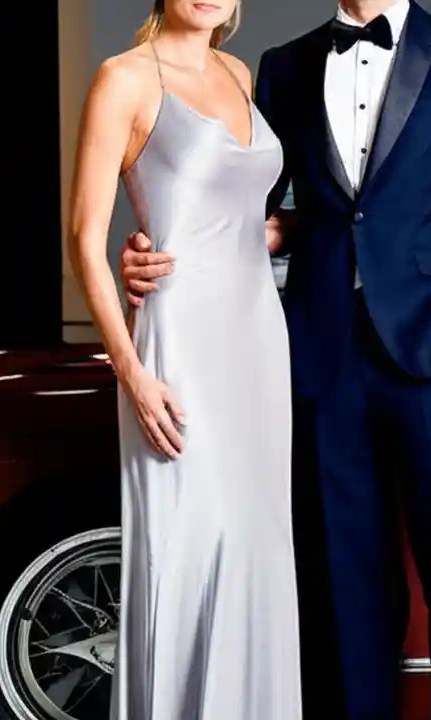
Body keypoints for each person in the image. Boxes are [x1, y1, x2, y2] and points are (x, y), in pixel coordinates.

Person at [120, 0, 431, 716]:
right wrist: (156, 245)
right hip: (320, 354)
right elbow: (252, 207)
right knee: (346, 586)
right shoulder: (283, 67)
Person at [67, 1, 300, 718]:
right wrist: (132, 374)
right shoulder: (124, 78)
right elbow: (84, 238)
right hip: (179, 344)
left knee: (256, 544)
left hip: (257, 339)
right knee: (187, 544)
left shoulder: (239, 73)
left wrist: (274, 233)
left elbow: (246, 213)